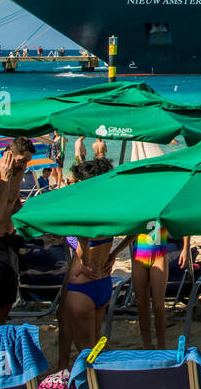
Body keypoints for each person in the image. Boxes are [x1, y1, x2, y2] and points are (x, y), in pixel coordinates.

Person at [58, 158, 119, 369]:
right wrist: (115, 253)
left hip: (82, 281)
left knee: (86, 352)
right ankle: (63, 365)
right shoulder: (111, 207)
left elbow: (77, 237)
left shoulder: (82, 209)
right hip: (103, 281)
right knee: (96, 344)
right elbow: (137, 227)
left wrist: (82, 256)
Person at [0, 137, 35, 326]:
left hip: (10, 240)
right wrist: (5, 178)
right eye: (22, 161)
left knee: (7, 300)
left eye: (27, 161)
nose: (24, 166)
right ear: (8, 155)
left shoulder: (18, 174)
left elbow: (14, 202)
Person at [110, 218, 189, 350]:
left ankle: (161, 346)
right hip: (139, 253)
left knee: (158, 304)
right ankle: (147, 344)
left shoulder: (162, 205)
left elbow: (183, 222)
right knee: (141, 303)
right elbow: (133, 233)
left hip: (158, 254)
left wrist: (186, 248)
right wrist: (115, 252)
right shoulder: (141, 208)